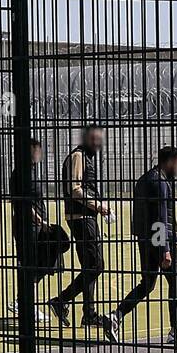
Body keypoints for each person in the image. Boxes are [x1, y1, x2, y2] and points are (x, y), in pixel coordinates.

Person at [104, 146, 177, 345]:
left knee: (147, 283)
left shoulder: (144, 179)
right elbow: (161, 217)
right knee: (176, 283)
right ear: (169, 161)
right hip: (160, 238)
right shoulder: (160, 182)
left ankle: (116, 315)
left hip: (145, 238)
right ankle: (176, 330)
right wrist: (164, 249)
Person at [47, 125, 112, 332]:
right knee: (96, 265)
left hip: (84, 216)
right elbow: (75, 189)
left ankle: (89, 314)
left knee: (89, 266)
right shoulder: (78, 156)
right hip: (81, 217)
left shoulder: (86, 157)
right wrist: (98, 205)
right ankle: (62, 299)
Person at [6, 139, 56, 322]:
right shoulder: (21, 174)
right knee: (33, 266)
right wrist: (40, 220)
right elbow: (22, 203)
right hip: (29, 227)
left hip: (35, 226)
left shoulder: (33, 172)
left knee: (41, 264)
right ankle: (27, 305)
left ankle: (23, 302)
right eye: (37, 150)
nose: (39, 154)